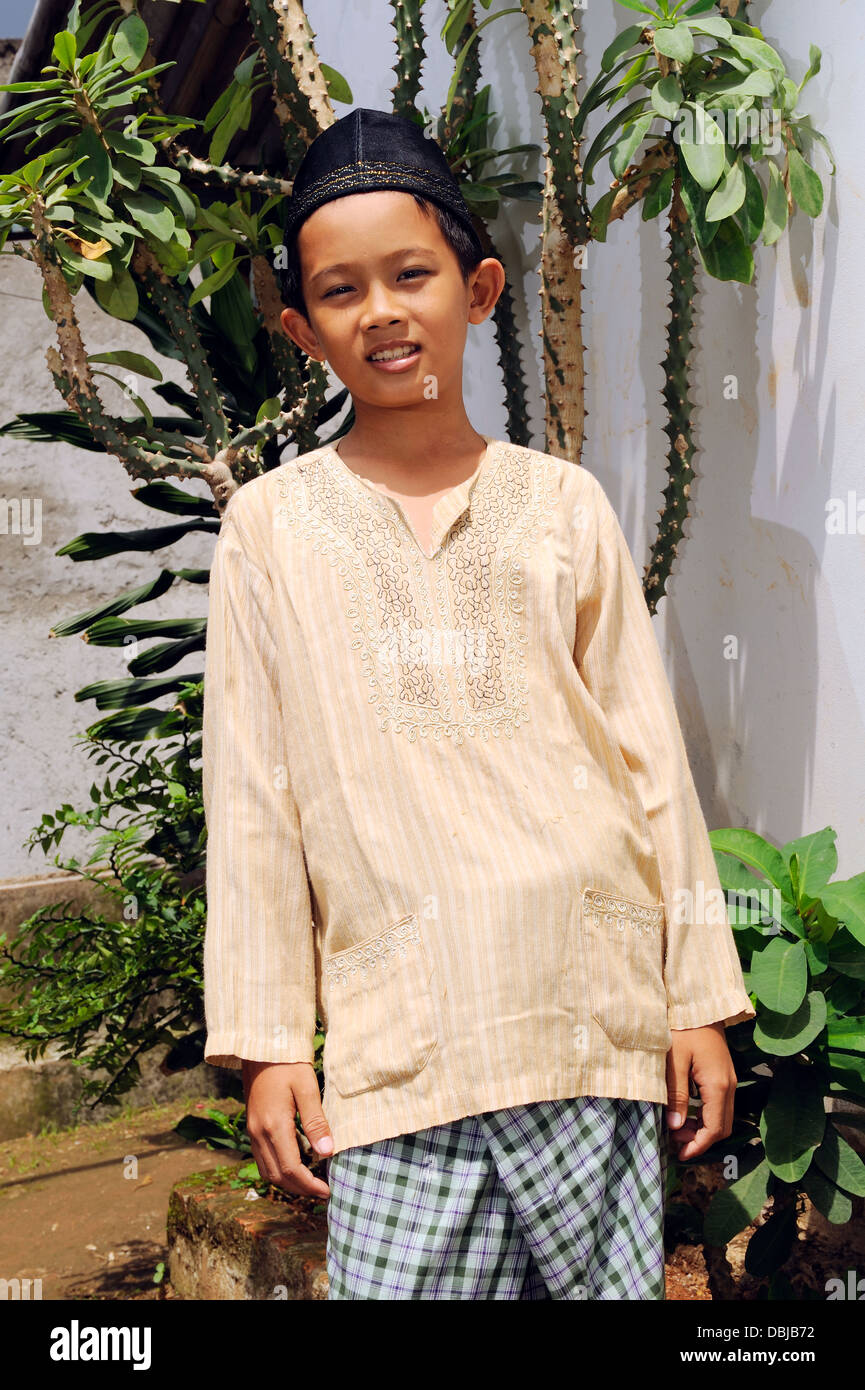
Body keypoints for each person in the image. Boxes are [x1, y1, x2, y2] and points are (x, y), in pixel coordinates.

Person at [201, 108, 755, 1300]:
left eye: (412, 274)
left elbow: (648, 761)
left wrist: (696, 999)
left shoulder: (561, 507)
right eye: (341, 291)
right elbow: (251, 797)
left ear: (480, 286)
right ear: (302, 328)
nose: (383, 312)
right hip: (401, 1045)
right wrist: (268, 1046)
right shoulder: (271, 531)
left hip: (583, 1016)